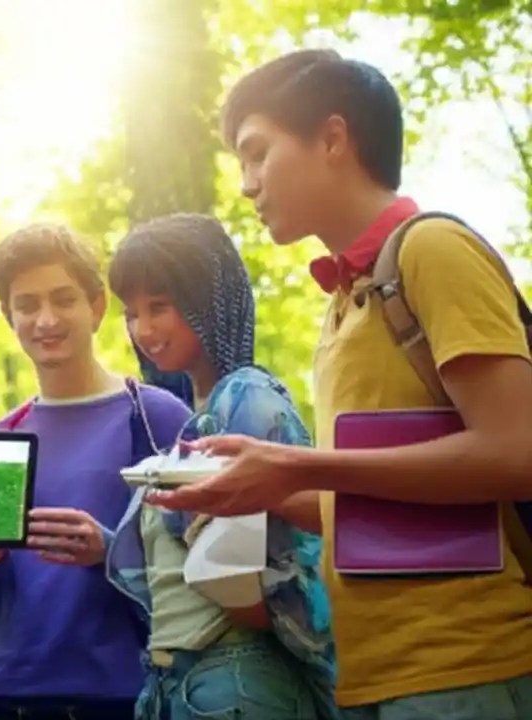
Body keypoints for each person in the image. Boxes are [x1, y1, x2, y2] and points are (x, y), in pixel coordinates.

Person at [150, 49, 532, 718]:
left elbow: (516, 451)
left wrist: (296, 465)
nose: (247, 184)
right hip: (370, 676)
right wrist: (258, 491)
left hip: (466, 668)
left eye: (258, 153)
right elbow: (378, 498)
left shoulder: (432, 250)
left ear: (332, 139)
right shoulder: (345, 303)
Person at [0, 223, 191, 720]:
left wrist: (110, 551)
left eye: (63, 299)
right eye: (27, 305)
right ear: (9, 316)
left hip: (114, 699)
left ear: (96, 307)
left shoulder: (154, 418)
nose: (46, 319)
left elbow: (198, 572)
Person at [108, 212, 336, 719]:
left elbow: (278, 564)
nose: (143, 329)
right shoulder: (198, 415)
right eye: (131, 312)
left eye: (159, 306)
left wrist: (236, 606)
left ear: (206, 299)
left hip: (235, 679)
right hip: (181, 683)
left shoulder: (247, 397)